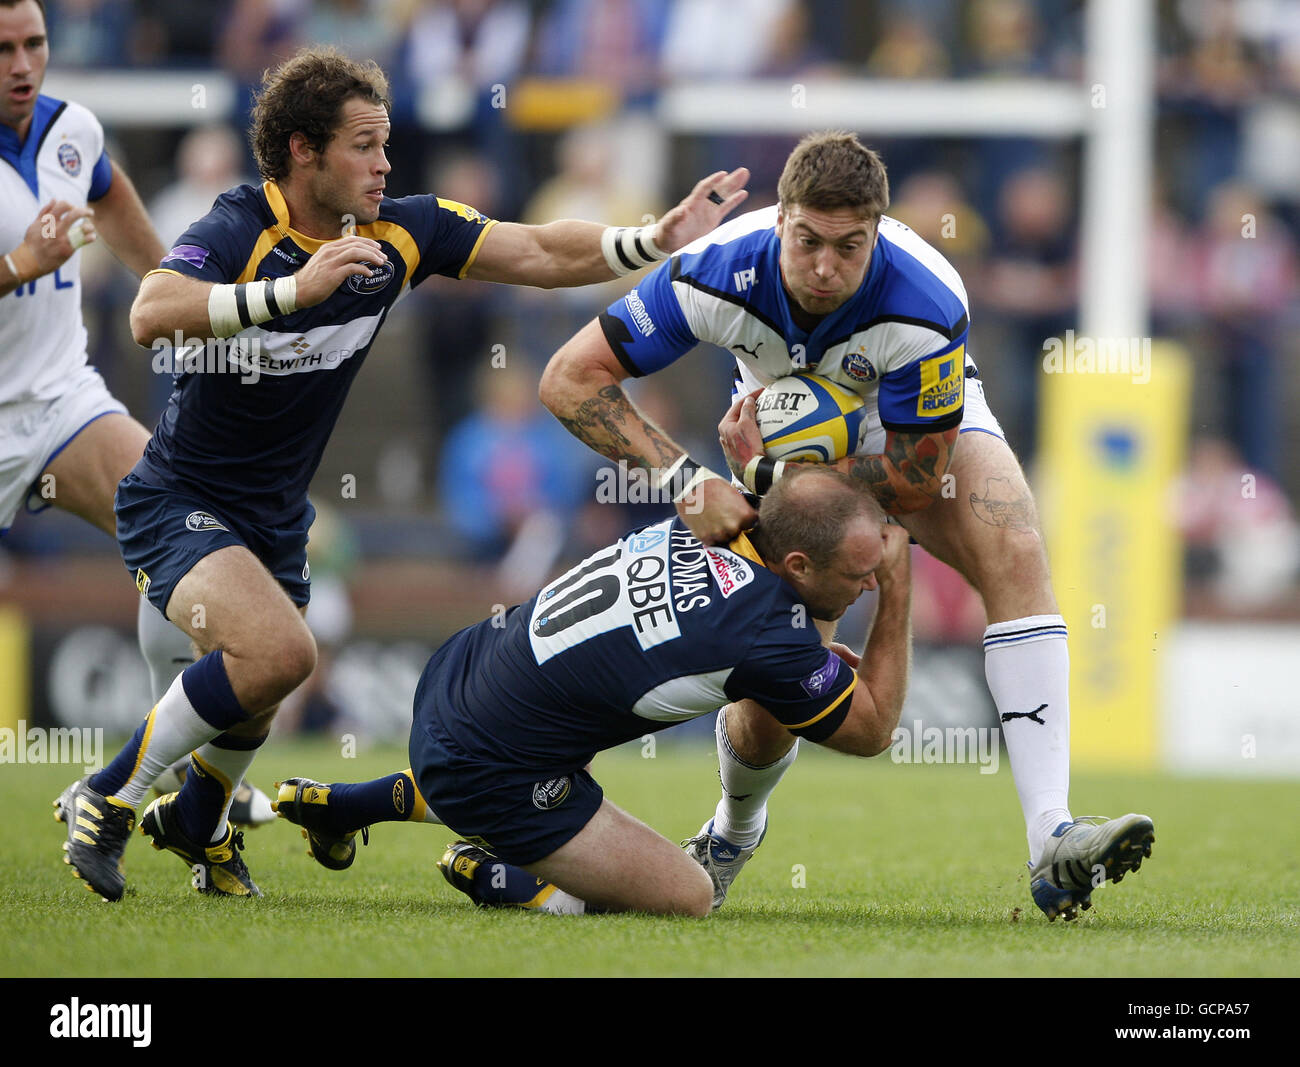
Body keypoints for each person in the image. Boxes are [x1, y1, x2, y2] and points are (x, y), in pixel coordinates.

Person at [54, 45, 749, 902]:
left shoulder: (402, 231)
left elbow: (534, 251)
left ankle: (199, 822)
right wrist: (290, 292)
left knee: (258, 697)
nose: (386, 163)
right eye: (364, 146)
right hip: (180, 500)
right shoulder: (240, 225)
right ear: (304, 150)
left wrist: (649, 239)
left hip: (272, 516)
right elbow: (149, 312)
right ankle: (109, 792)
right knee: (278, 653)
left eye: (386, 145)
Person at [539, 130, 1154, 921]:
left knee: (1017, 547)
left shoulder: (925, 300)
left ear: (877, 234)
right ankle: (732, 832)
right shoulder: (714, 271)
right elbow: (568, 377)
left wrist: (767, 477)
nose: (825, 265)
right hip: (781, 449)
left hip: (899, 435)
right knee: (770, 691)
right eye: (807, 242)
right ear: (780, 219)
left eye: (848, 246)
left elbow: (913, 477)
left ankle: (1051, 837)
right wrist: (687, 478)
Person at [274, 467, 911, 916]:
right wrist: (903, 585)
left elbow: (767, 604)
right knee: (687, 897)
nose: (872, 584)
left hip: (459, 674)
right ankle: (514, 879)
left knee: (515, 747)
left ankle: (348, 805)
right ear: (797, 566)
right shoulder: (767, 634)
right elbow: (873, 729)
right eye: (863, 573)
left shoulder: (718, 513)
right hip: (492, 765)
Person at [0, 0, 277, 825]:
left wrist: (178, 296)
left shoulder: (73, 130)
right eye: (2, 48)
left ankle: (183, 760)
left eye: (34, 44)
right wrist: (25, 261)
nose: (21, 63)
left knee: (186, 531)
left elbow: (112, 201)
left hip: (59, 404)